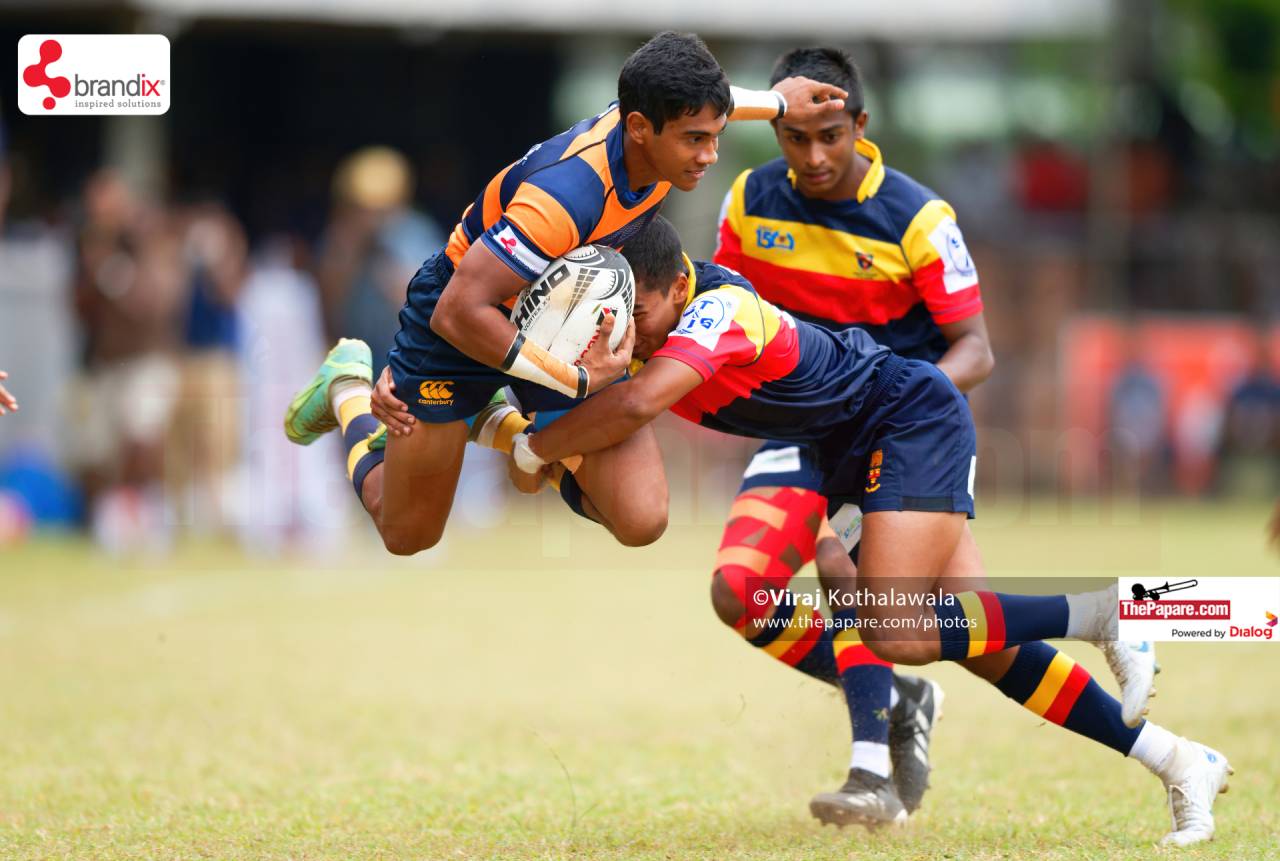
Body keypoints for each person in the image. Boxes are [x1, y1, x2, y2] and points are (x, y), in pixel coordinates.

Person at [509, 216, 1232, 847]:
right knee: (980, 643)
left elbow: (635, 407)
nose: (625, 331)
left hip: (906, 415)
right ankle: (1176, 759)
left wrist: (534, 444)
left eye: (635, 312)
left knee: (894, 627)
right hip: (841, 452)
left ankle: (1104, 610)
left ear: (672, 285)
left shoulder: (717, 309)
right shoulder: (642, 326)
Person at [709, 47, 1160, 829]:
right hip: (804, 431)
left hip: (905, 441)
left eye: (832, 135)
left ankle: (1162, 746)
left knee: (956, 625)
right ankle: (891, 727)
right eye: (796, 139)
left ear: (862, 124)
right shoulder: (748, 201)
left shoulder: (919, 217)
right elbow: (724, 315)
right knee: (744, 592)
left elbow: (976, 350)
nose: (814, 156)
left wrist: (892, 408)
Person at [283, 31, 847, 556]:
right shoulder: (567, 196)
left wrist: (778, 104)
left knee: (640, 516)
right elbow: (459, 309)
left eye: (715, 136)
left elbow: (709, 104)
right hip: (459, 326)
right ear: (640, 128)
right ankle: (349, 389)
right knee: (405, 532)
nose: (709, 155)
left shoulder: (654, 135)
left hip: (564, 322)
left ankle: (493, 418)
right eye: (695, 140)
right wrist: (574, 380)